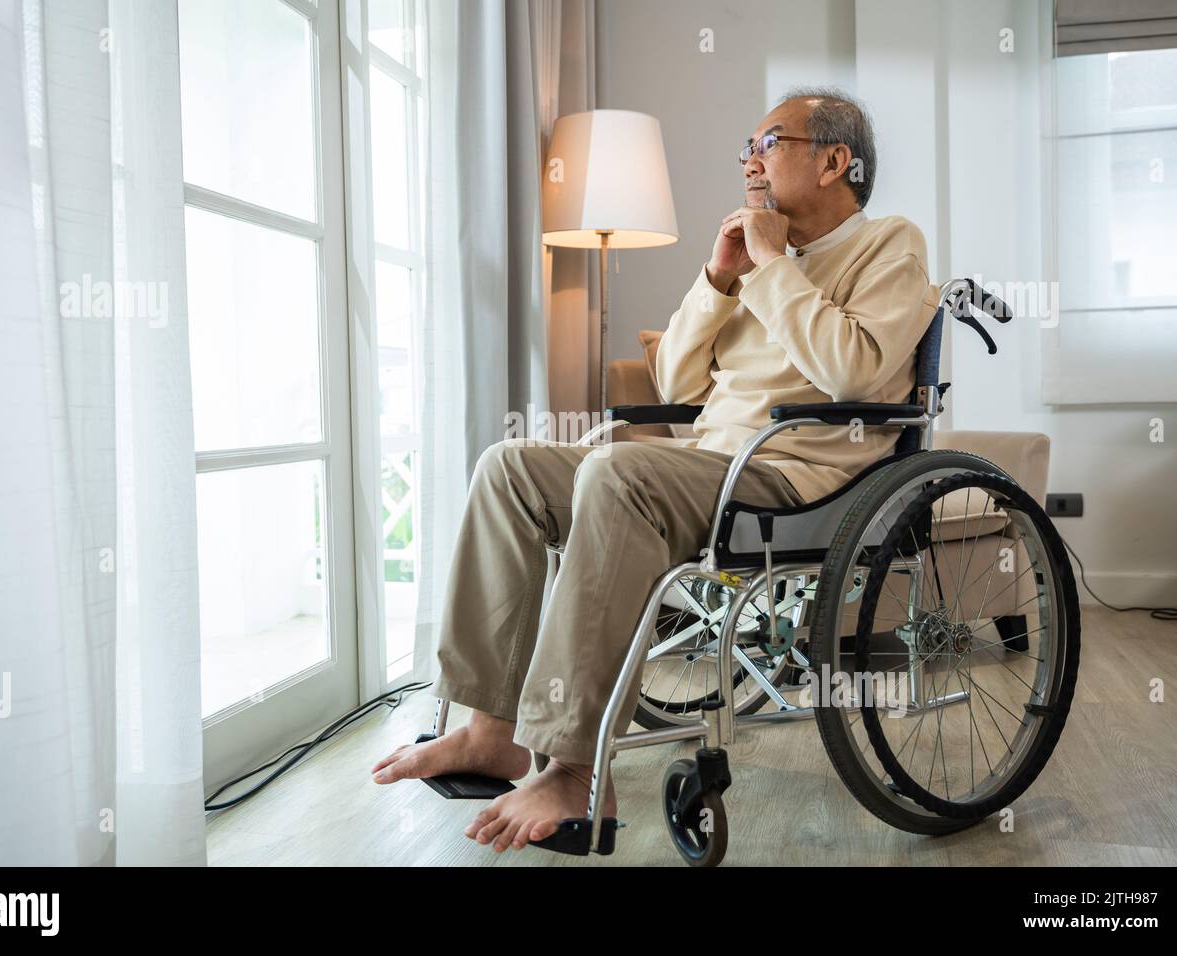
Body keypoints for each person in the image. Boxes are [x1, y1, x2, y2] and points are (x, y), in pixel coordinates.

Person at [372, 87, 934, 854]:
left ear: (835, 161)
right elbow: (674, 383)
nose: (749, 159)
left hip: (796, 477)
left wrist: (770, 265)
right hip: (708, 464)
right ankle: (491, 729)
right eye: (749, 144)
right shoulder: (756, 255)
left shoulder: (891, 245)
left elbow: (855, 374)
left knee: (617, 471)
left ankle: (572, 768)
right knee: (509, 466)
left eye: (768, 142)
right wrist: (718, 276)